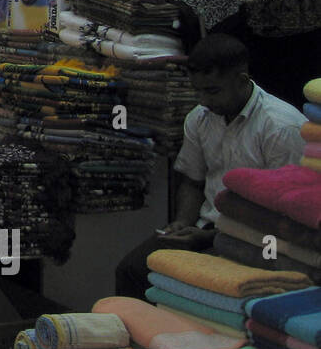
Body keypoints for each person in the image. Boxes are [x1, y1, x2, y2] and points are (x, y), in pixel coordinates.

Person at [114, 34, 306, 297]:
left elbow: (285, 211)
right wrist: (182, 222)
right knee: (131, 270)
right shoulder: (200, 118)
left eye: (212, 91)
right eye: (198, 91)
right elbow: (193, 181)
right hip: (206, 230)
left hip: (258, 239)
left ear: (241, 81)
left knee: (202, 292)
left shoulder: (281, 127)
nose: (203, 100)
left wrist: (210, 238)